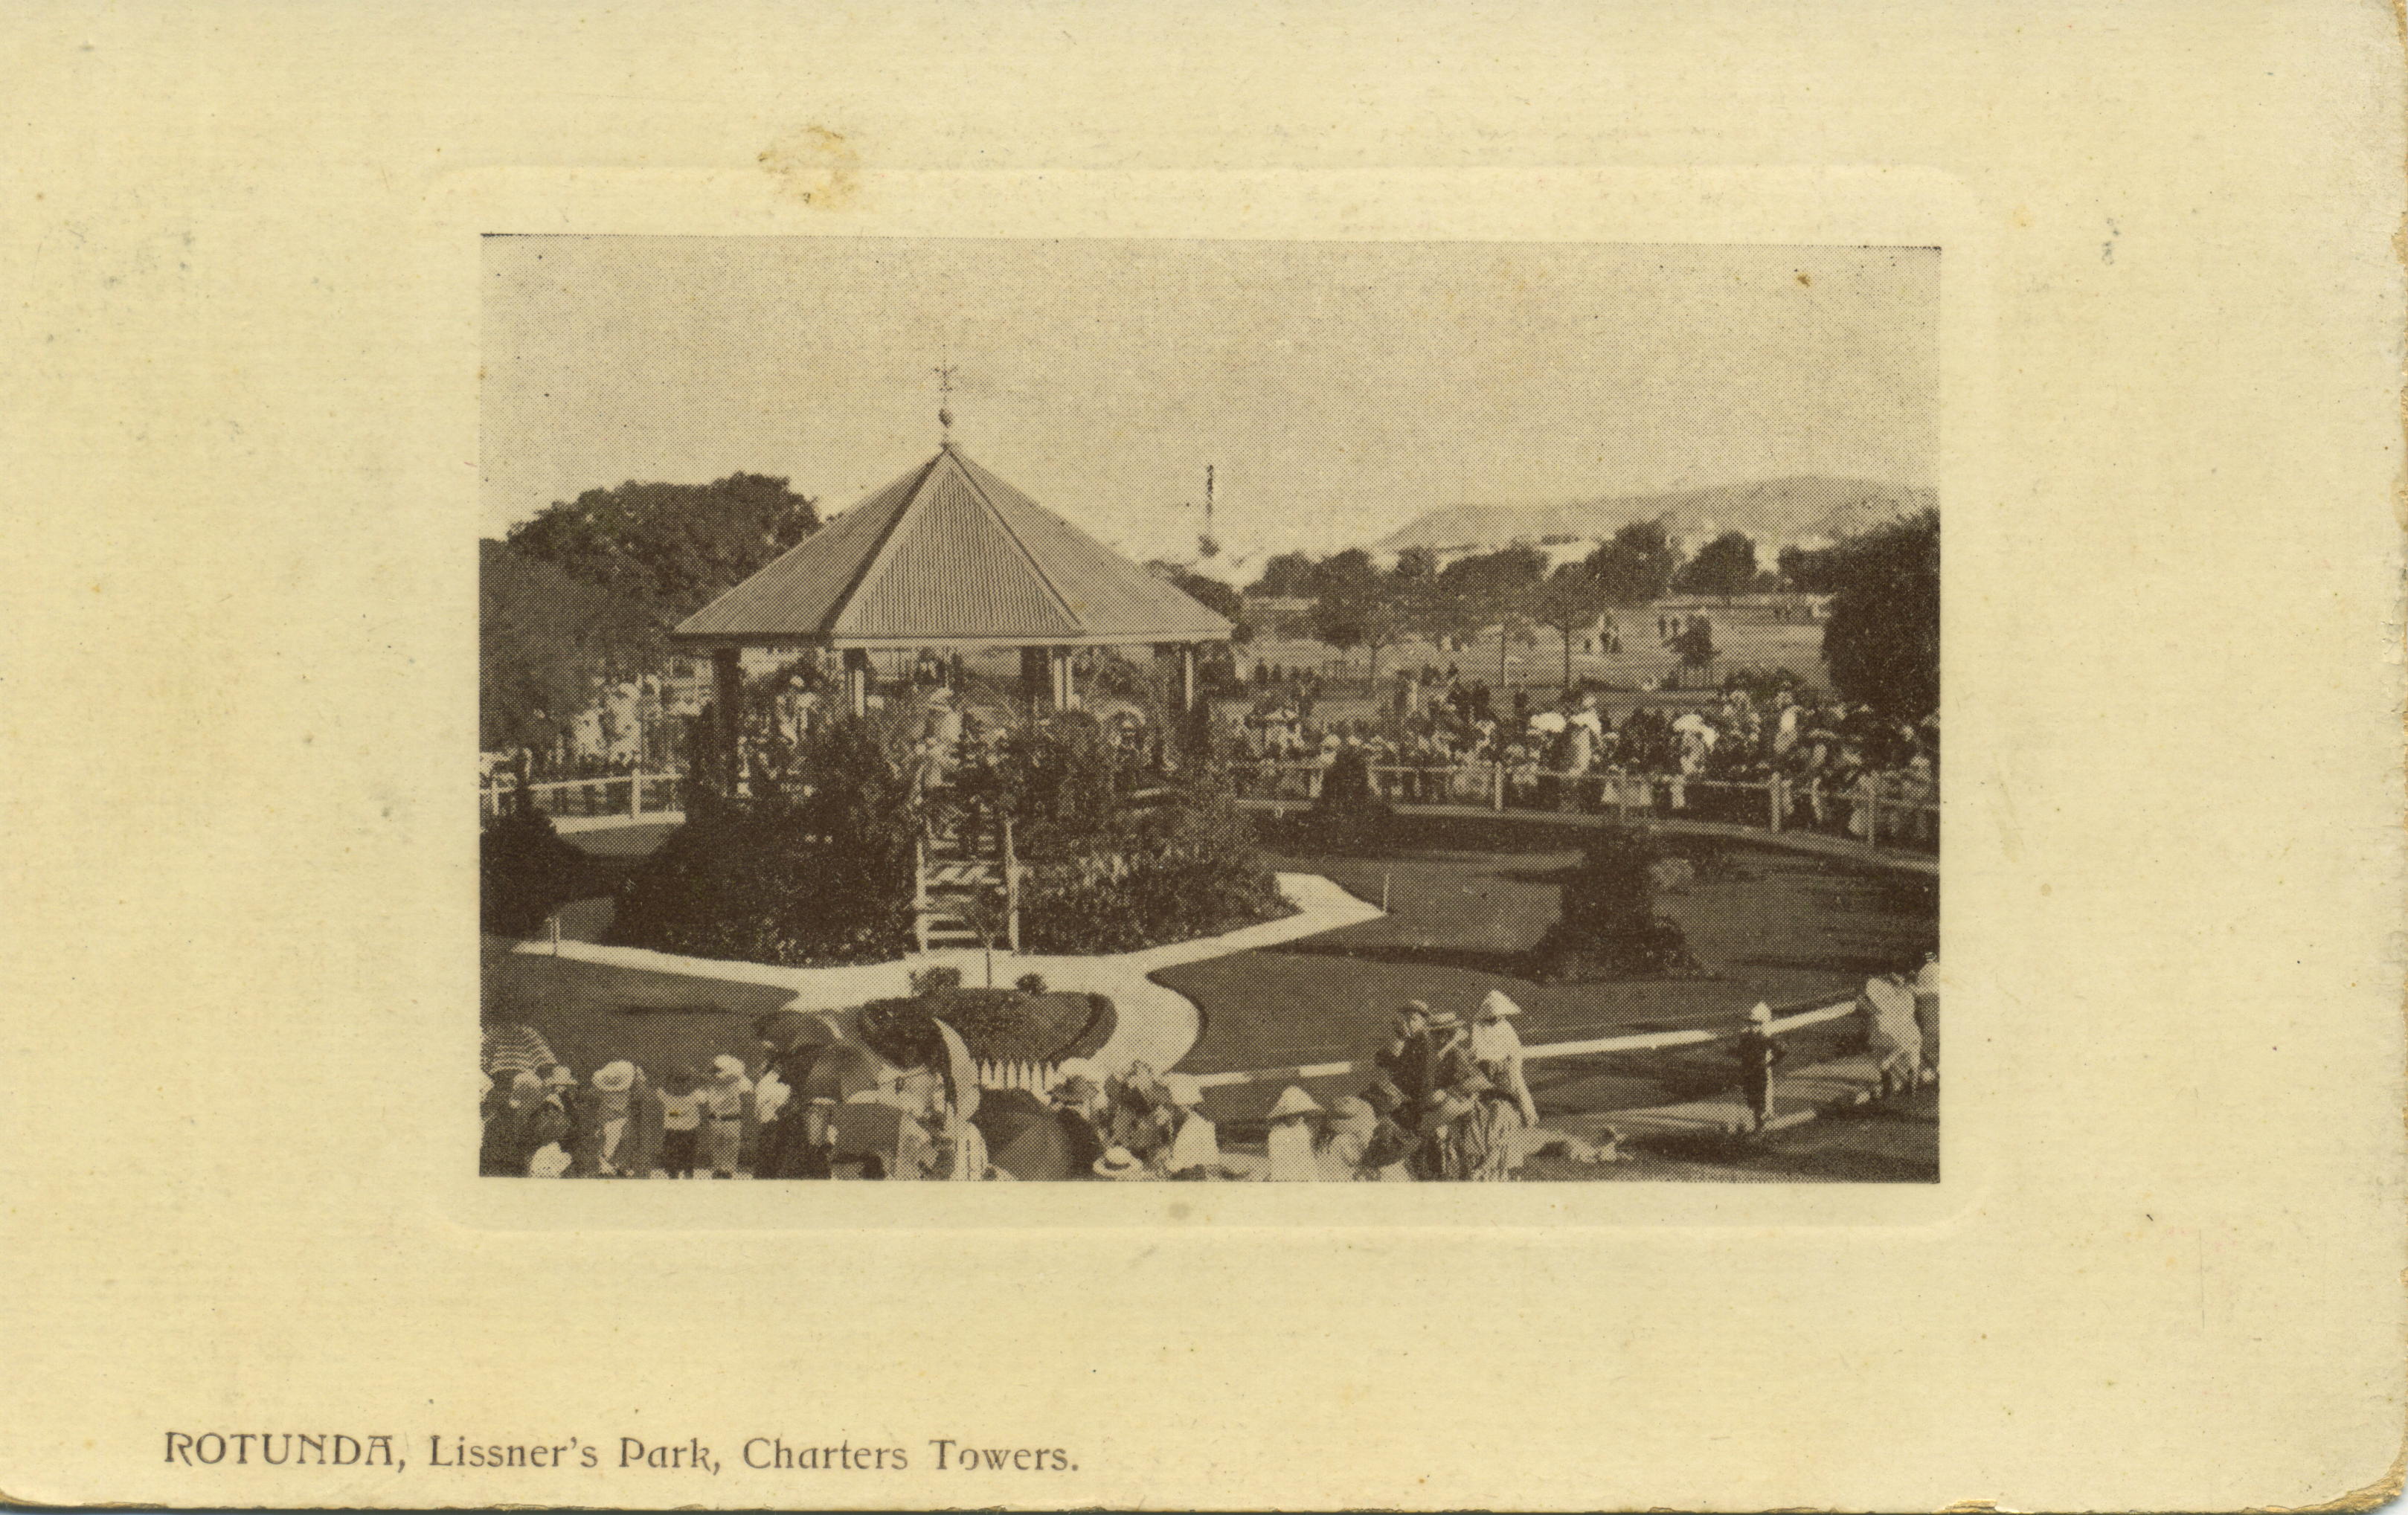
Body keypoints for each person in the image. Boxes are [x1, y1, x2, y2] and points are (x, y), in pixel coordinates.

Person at [1735, 1002, 1785, 1131]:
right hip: (1748, 1071)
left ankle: (1759, 1126)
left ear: (1760, 1024)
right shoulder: (1747, 1037)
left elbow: (1781, 1051)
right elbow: (1740, 1052)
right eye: (1751, 1024)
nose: (1752, 1026)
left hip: (1758, 1072)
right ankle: (1755, 1125)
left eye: (1755, 1024)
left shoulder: (1762, 1038)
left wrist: (1770, 1063)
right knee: (1750, 1098)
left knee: (1758, 1099)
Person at [700, 1054, 752, 1178]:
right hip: (716, 1119)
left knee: (730, 1155)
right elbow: (702, 1099)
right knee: (717, 1153)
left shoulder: (740, 1080)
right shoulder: (711, 1081)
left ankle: (727, 1174)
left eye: (719, 1069)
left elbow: (748, 1094)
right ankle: (718, 1172)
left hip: (732, 1120)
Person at [1159, 1074, 1221, 1177]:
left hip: (1190, 1175)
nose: (1171, 1109)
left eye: (1174, 1106)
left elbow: (1208, 1158)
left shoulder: (1199, 1125)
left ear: (1185, 1104)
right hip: (1184, 1174)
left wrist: (1168, 1166)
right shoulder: (1183, 1124)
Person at [1262, 1086, 1323, 1181]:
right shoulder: (1277, 1133)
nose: (1299, 1117)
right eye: (1294, 1114)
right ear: (1285, 1115)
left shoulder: (1303, 1129)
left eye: (1301, 1114)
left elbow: (1307, 1157)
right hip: (1285, 1175)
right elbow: (1276, 1160)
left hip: (1305, 1174)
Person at [655, 1065, 704, 1179]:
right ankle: (687, 1174)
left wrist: (675, 1113)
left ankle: (674, 1174)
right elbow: (703, 1096)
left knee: (672, 1157)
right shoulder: (696, 1094)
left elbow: (658, 1089)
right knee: (688, 1157)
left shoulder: (665, 1095)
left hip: (673, 1130)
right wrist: (697, 1077)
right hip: (689, 1131)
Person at [1913, 953, 1942, 1085]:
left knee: (1927, 1037)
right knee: (1931, 1036)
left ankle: (1927, 1072)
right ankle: (1929, 1071)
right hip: (1932, 1001)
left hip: (1924, 1002)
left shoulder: (1923, 971)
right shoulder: (1936, 969)